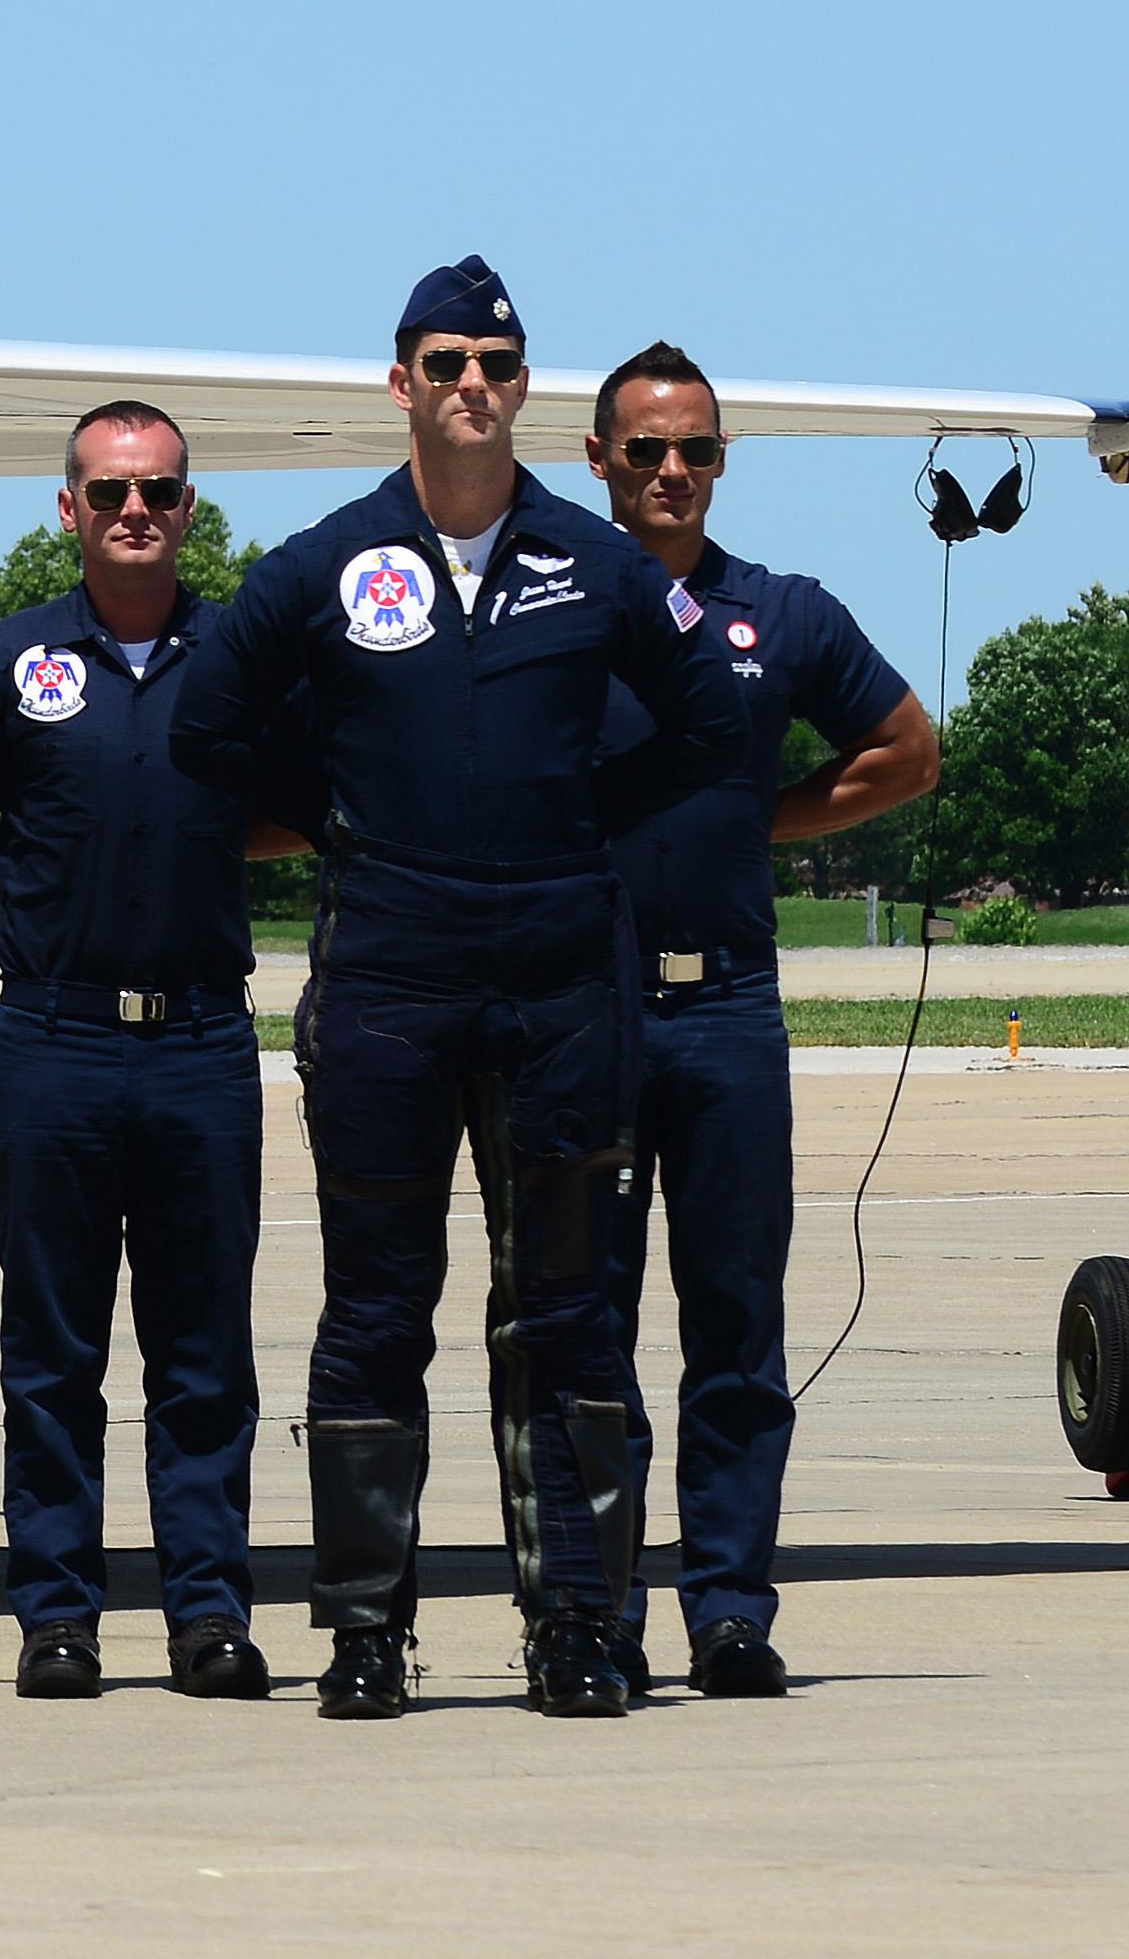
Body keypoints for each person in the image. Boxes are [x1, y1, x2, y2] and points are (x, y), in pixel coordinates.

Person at [168, 256, 762, 1722]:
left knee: (566, 1314)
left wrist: (577, 810)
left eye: (494, 364)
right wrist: (344, 817)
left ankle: (576, 1626)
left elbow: (708, 722)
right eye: (444, 363)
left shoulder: (597, 562)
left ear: (520, 387)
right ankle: (365, 1630)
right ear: (401, 384)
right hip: (388, 975)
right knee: (375, 1306)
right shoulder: (325, 563)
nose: (470, 387)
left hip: (563, 978)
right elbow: (206, 720)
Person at [0, 401, 313, 1705]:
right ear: (65, 509)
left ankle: (207, 1618)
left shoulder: (243, 658)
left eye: (160, 492)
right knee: (55, 1353)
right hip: (54, 1042)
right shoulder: (12, 661)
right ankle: (56, 1617)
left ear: (189, 511)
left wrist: (194, 858)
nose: (135, 511)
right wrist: (28, 862)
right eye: (111, 490)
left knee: (199, 1356)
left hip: (198, 1047)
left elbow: (312, 805)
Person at [567, 342, 936, 1697]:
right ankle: (593, 1612)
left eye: (696, 450)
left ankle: (726, 1606)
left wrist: (760, 822)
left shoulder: (779, 615)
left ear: (721, 465)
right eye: (647, 449)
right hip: (580, 1019)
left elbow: (905, 749)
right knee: (584, 1330)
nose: (671, 471)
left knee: (732, 1327)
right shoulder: (551, 609)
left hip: (722, 1013)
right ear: (596, 460)